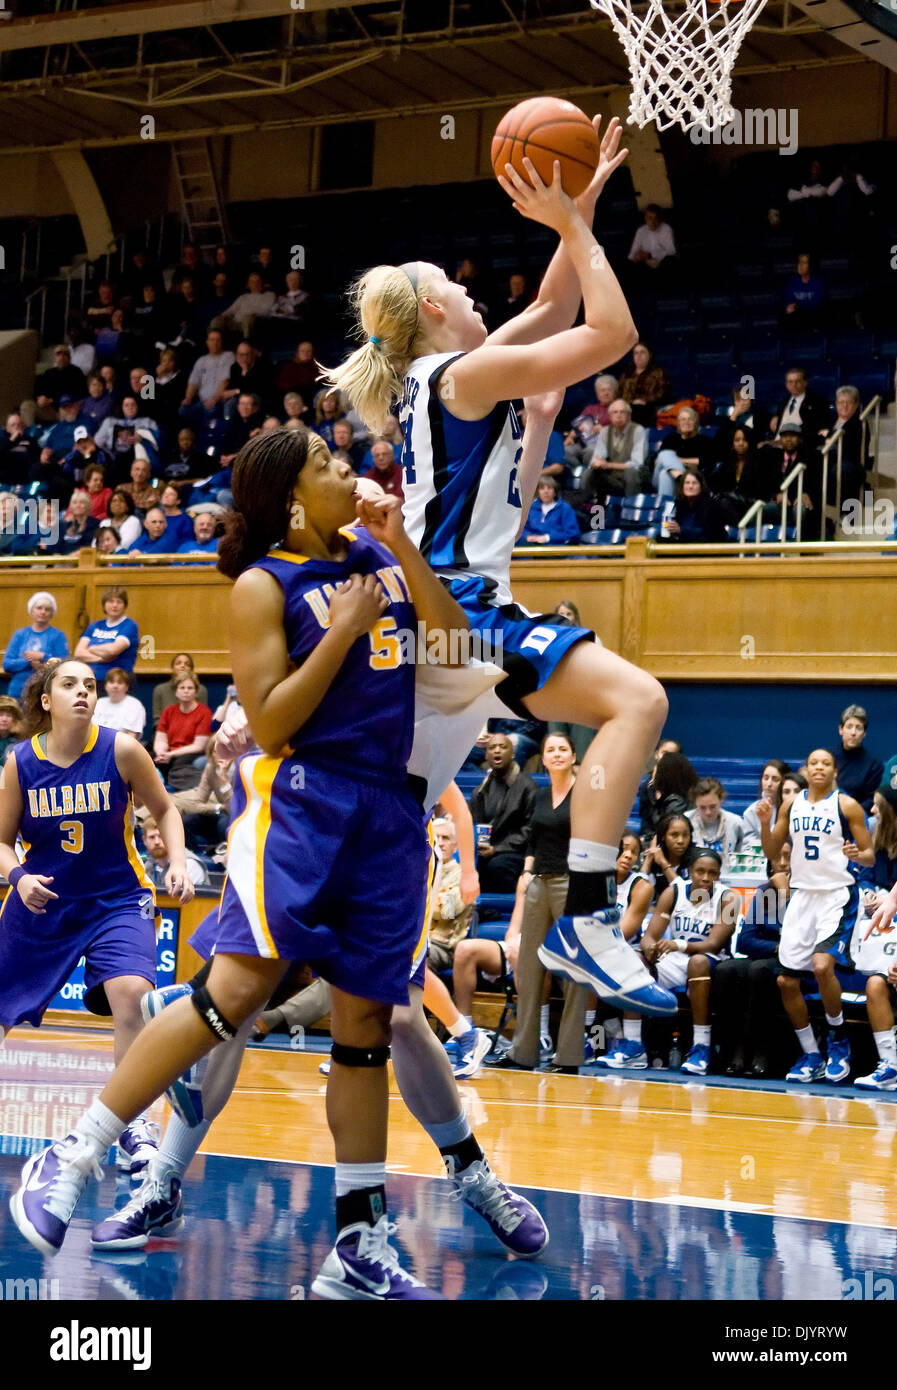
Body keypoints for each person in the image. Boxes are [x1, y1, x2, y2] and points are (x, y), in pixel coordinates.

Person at [8, 426, 484, 1295]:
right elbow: (271, 724)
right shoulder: (265, 584)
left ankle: (356, 1242)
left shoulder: (380, 556)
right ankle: (74, 1156)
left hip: (387, 810)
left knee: (366, 1024)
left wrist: (405, 546)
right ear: (295, 498)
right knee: (233, 993)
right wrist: (341, 634)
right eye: (331, 465)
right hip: (305, 800)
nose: (353, 470)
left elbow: (457, 651)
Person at [323, 117, 674, 1018]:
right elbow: (609, 332)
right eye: (458, 288)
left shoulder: (443, 377)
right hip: (461, 616)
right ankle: (587, 920)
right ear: (436, 310)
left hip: (445, 629)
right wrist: (578, 230)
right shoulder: (459, 380)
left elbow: (556, 311)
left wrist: (577, 207)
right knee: (637, 701)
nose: (475, 295)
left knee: (380, 835)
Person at [0, 658, 194, 1195]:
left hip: (117, 899)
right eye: (70, 684)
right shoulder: (20, 762)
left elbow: (166, 809)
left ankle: (134, 1126)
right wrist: (17, 876)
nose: (83, 692)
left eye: (90, 685)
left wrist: (177, 861)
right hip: (44, 900)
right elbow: (1, 840)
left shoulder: (122, 749)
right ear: (46, 700)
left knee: (132, 995)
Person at [759, 747, 873, 1084]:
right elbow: (771, 852)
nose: (819, 768)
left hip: (836, 896)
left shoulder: (846, 805)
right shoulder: (791, 804)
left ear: (835, 770)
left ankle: (838, 1039)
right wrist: (765, 825)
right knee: (785, 981)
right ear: (806, 770)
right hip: (802, 896)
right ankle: (810, 1052)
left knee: (823, 967)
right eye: (813, 763)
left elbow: (869, 856)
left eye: (826, 763)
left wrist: (857, 853)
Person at [500, 732, 591, 1074]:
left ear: (572, 756)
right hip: (539, 881)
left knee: (572, 969)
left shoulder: (583, 794)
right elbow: (532, 843)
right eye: (550, 749)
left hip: (571, 883)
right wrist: (525, 876)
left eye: (562, 749)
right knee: (528, 966)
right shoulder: (538, 795)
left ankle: (567, 1057)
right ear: (544, 757)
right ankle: (523, 1052)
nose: (555, 754)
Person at [639, 849, 739, 1075]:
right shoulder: (673, 892)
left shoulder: (729, 898)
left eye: (712, 873)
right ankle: (633, 1044)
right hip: (674, 960)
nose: (705, 877)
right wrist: (649, 948)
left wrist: (678, 945)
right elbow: (649, 936)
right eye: (700, 871)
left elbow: (713, 944)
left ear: (719, 875)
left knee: (697, 963)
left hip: (710, 961)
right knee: (635, 960)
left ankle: (701, 1046)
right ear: (689, 871)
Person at [713, 842, 792, 1078]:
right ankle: (732, 1051)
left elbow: (801, 940)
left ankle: (761, 1051)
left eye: (789, 857)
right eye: (778, 857)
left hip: (796, 964)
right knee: (726, 970)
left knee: (759, 971)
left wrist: (786, 895)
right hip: (770, 954)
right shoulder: (764, 891)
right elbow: (744, 942)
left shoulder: (809, 892)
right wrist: (777, 947)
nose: (784, 863)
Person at [468, 733, 536, 892]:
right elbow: (474, 821)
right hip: (487, 851)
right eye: (492, 748)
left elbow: (530, 830)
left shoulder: (527, 786)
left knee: (496, 866)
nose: (497, 751)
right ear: (486, 755)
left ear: (513, 754)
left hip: (517, 852)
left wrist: (497, 849)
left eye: (503, 747)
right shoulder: (481, 790)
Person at [425, 817, 474, 975]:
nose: (439, 843)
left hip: (442, 945)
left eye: (445, 838)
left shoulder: (465, 876)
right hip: (415, 939)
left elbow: (446, 911)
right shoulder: (420, 871)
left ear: (456, 846)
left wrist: (416, 901)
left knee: (417, 959)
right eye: (435, 838)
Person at [579, 398, 647, 503]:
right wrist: (597, 464)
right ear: (610, 416)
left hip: (636, 476)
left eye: (622, 412)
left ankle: (629, 510)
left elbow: (636, 464)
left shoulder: (638, 430)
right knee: (590, 472)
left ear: (629, 415)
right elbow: (597, 457)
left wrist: (608, 465)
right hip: (613, 477)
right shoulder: (605, 431)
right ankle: (588, 508)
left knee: (631, 472)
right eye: (615, 412)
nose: (618, 415)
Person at [4, 592, 70, 699]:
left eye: (47, 609)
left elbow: (64, 664)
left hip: (44, 691)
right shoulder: (20, 634)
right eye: (39, 608)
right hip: (17, 692)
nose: (43, 612)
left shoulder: (58, 635)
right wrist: (29, 661)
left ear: (52, 613)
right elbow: (7, 664)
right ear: (31, 611)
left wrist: (43, 656)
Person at [154, 674, 213, 790]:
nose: (186, 691)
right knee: (148, 760)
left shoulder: (204, 712)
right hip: (169, 752)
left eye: (190, 688)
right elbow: (161, 738)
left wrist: (171, 755)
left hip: (190, 753)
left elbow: (199, 746)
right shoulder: (169, 711)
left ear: (196, 692)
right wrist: (161, 752)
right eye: (182, 688)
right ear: (176, 692)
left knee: (178, 767)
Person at [73, 585, 140, 683]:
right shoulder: (95, 625)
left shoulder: (129, 625)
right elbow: (78, 653)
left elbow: (113, 651)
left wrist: (92, 648)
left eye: (119, 602)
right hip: (92, 680)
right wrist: (100, 658)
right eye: (111, 601)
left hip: (117, 682)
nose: (114, 605)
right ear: (104, 604)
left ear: (124, 605)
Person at [652, 409, 718, 499]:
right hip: (659, 481)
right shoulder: (670, 438)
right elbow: (658, 461)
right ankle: (683, 479)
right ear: (678, 423)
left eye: (690, 419)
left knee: (665, 474)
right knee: (665, 454)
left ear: (696, 422)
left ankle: (666, 508)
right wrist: (687, 463)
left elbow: (706, 461)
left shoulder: (704, 441)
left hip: (692, 483)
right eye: (683, 419)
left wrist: (677, 460)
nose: (686, 422)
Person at [686, 776, 744, 872]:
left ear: (721, 799)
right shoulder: (687, 821)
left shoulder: (735, 822)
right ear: (695, 803)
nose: (708, 812)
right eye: (702, 807)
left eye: (712, 806)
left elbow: (743, 855)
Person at [640, 749, 698, 840]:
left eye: (658, 767)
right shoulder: (650, 791)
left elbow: (664, 833)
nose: (654, 771)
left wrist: (646, 839)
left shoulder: (676, 804)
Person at [835, 704, 883, 811]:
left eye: (858, 728)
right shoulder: (828, 758)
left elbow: (871, 799)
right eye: (849, 727)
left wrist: (851, 813)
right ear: (840, 730)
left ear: (864, 733)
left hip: (859, 816)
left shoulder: (874, 764)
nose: (853, 732)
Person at [641, 812, 697, 901]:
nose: (680, 841)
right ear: (663, 836)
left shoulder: (697, 859)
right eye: (674, 835)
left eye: (685, 835)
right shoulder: (652, 858)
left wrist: (663, 863)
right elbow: (636, 892)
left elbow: (683, 895)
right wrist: (649, 858)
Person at [141, 815, 208, 888]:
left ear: (171, 836)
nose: (156, 842)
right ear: (144, 840)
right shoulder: (148, 865)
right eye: (152, 837)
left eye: (161, 836)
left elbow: (176, 898)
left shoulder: (189, 865)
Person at [665, 469, 727, 544]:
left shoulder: (711, 505)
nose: (690, 486)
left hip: (706, 549)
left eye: (694, 483)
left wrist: (681, 530)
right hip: (684, 547)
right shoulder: (679, 503)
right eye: (687, 483)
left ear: (701, 486)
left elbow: (708, 534)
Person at [618, 342, 671, 427]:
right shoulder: (626, 375)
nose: (639, 356)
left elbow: (662, 394)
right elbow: (620, 394)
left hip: (649, 408)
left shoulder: (658, 373)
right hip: (628, 408)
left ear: (649, 355)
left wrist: (645, 401)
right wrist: (631, 402)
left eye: (642, 352)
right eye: (636, 353)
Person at [741, 760, 792, 848]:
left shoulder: (796, 809)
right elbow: (748, 848)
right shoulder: (751, 812)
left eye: (775, 779)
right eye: (766, 778)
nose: (769, 784)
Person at [520, 473, 580, 545]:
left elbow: (573, 534)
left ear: (555, 492)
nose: (546, 491)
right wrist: (528, 536)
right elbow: (522, 528)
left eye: (549, 488)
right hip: (532, 546)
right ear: (538, 492)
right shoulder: (531, 508)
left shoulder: (565, 508)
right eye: (542, 488)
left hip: (555, 549)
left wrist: (548, 537)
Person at [152, 654, 209, 730]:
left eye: (187, 664)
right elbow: (157, 720)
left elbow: (203, 718)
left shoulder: (200, 690)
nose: (183, 666)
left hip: (193, 732)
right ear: (172, 668)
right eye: (178, 663)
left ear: (191, 669)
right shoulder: (160, 689)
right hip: (165, 732)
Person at [93, 667, 147, 740]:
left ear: (127, 687)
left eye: (120, 683)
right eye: (111, 682)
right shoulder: (99, 703)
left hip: (121, 747)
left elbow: (132, 738)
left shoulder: (134, 705)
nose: (115, 686)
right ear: (105, 686)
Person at [628, 205, 677, 272]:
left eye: (656, 218)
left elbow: (672, 251)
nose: (653, 222)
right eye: (650, 218)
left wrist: (650, 254)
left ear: (660, 218)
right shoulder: (641, 231)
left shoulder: (666, 229)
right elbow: (632, 253)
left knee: (669, 262)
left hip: (662, 263)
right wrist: (636, 256)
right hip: (645, 264)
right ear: (645, 218)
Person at [0, 695, 22, 764]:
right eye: (0, 715)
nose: (4, 719)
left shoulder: (21, 741)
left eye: (8, 715)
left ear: (15, 719)